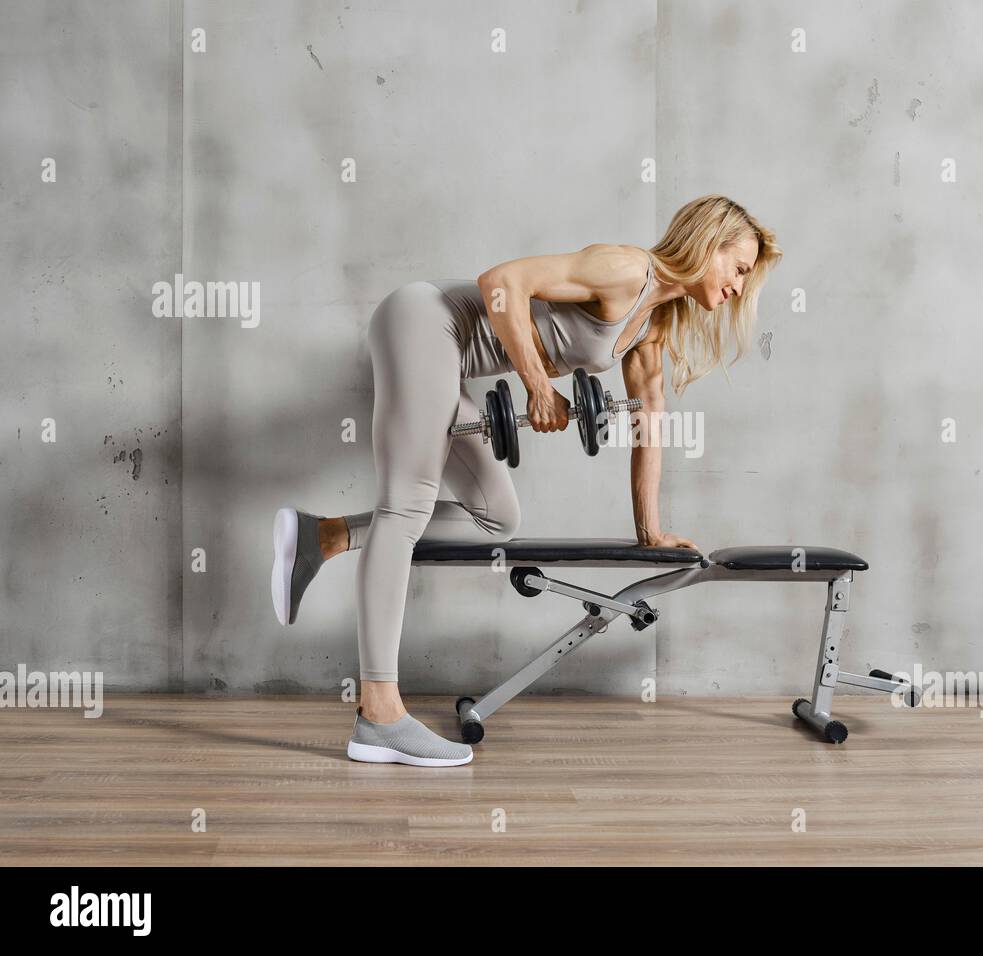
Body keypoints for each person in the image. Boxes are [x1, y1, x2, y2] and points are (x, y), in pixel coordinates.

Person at [270, 195, 782, 766]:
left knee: (496, 518)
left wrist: (651, 532)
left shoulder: (653, 328)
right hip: (424, 321)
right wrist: (538, 385)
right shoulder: (626, 269)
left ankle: (324, 537)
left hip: (449, 363)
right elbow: (501, 281)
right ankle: (378, 715)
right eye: (738, 268)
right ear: (707, 246)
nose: (739, 286)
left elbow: (649, 423)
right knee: (406, 507)